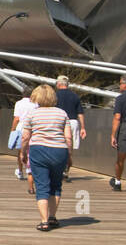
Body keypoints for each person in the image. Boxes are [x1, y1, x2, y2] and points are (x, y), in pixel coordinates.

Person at [19, 84, 72, 231]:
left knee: (42, 186)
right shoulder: (62, 113)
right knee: (56, 185)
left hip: (38, 150)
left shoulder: (32, 114)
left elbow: (25, 137)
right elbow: (68, 137)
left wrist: (23, 152)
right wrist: (69, 155)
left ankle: (44, 221)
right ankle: (53, 217)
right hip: (59, 150)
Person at [54, 76, 86, 181]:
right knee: (69, 149)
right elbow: (80, 113)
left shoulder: (55, 95)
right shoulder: (75, 96)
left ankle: (57, 171)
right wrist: (83, 128)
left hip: (58, 122)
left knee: (56, 147)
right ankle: (66, 172)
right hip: (73, 122)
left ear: (59, 84)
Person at [9, 90, 35, 184]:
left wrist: (12, 129)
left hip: (21, 127)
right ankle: (31, 170)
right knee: (31, 150)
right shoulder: (35, 104)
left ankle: (20, 171)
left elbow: (16, 118)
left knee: (20, 150)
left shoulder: (18, 103)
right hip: (32, 128)